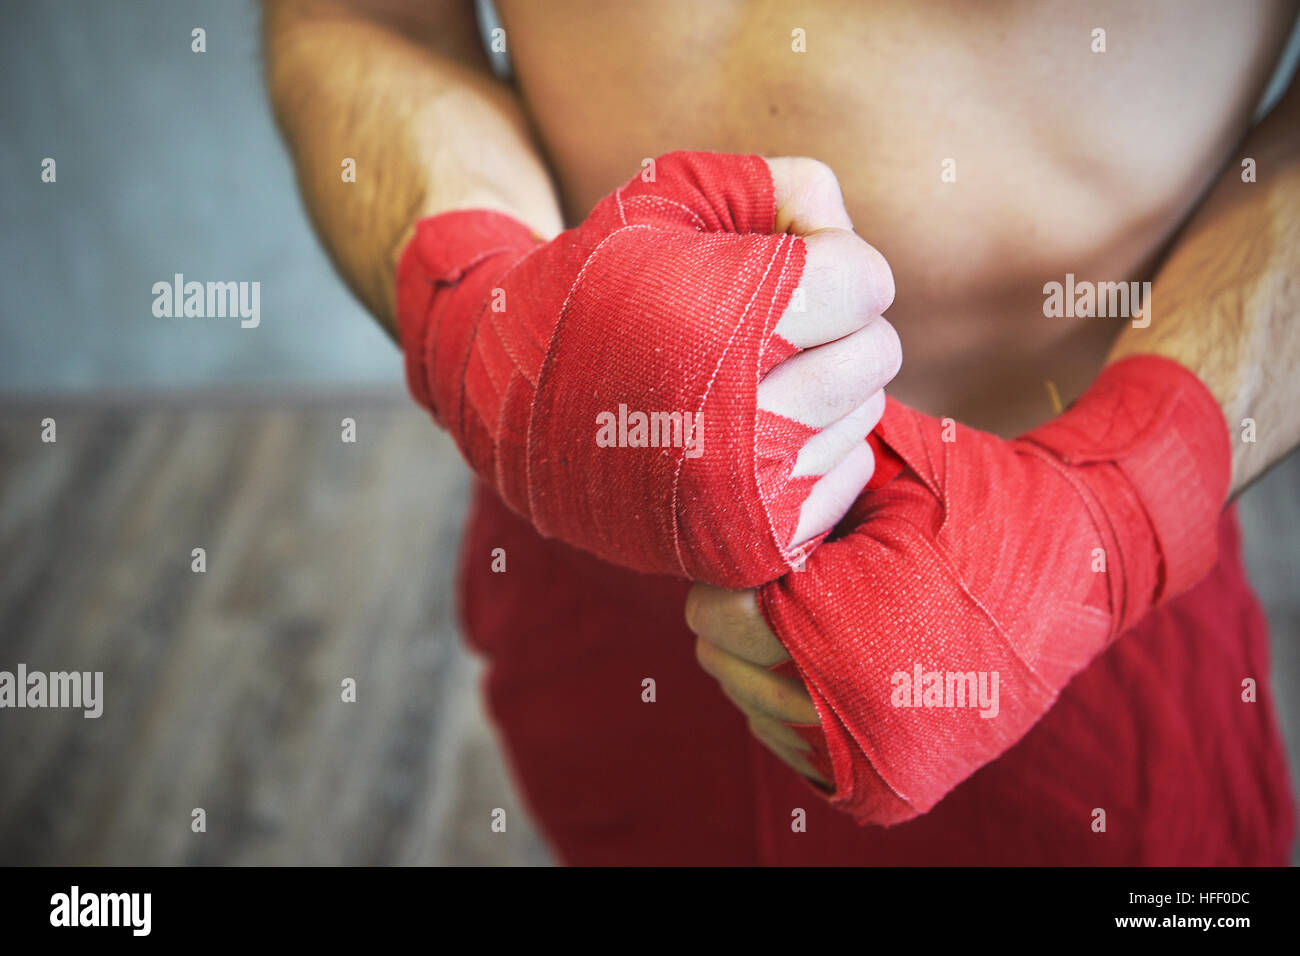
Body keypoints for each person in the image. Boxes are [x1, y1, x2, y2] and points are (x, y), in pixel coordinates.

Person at [265, 0, 1300, 864]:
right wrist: (477, 323)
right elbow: (368, 16)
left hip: (1055, 593)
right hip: (595, 505)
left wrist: (1117, 505)